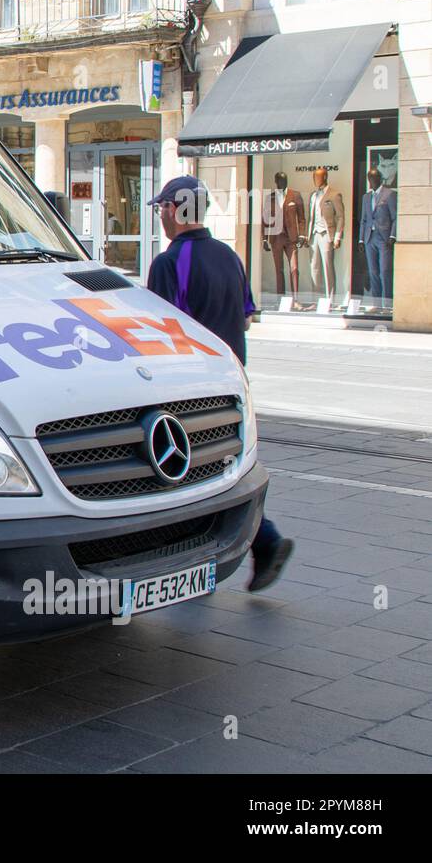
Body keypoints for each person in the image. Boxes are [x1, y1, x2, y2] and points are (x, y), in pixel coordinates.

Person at [145, 175, 293, 592]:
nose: (160, 216)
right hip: (230, 384)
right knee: (224, 473)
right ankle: (252, 546)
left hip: (186, 391)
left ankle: (242, 548)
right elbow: (246, 316)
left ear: (176, 209)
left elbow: (162, 332)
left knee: (189, 480)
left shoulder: (169, 263)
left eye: (161, 208)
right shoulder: (230, 256)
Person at [359, 168, 398, 310]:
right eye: (369, 178)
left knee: (385, 272)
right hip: (370, 239)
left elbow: (395, 218)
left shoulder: (390, 194)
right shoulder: (366, 197)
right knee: (373, 272)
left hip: (384, 239)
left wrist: (393, 236)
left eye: (374, 178)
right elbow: (363, 220)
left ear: (380, 179)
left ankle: (388, 305)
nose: (371, 181)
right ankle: (376, 305)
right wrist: (361, 240)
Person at [306, 167, 345, 307]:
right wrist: (307, 235)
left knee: (328, 267)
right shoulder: (313, 195)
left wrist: (337, 237)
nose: (315, 180)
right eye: (314, 177)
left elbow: (340, 217)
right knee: (314, 268)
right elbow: (310, 217)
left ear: (325, 177)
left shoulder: (334, 194)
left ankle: (330, 301)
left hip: (327, 235)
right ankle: (316, 301)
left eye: (317, 177)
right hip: (314, 235)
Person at [261, 172, 303, 297]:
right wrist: (264, 239)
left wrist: (302, 235)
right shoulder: (270, 198)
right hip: (276, 238)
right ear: (276, 181)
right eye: (280, 180)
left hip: (291, 238)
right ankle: (281, 298)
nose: (283, 183)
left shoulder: (295, 195)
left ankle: (295, 298)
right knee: (279, 270)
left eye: (285, 180)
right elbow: (265, 220)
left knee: (294, 268)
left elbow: (301, 218)